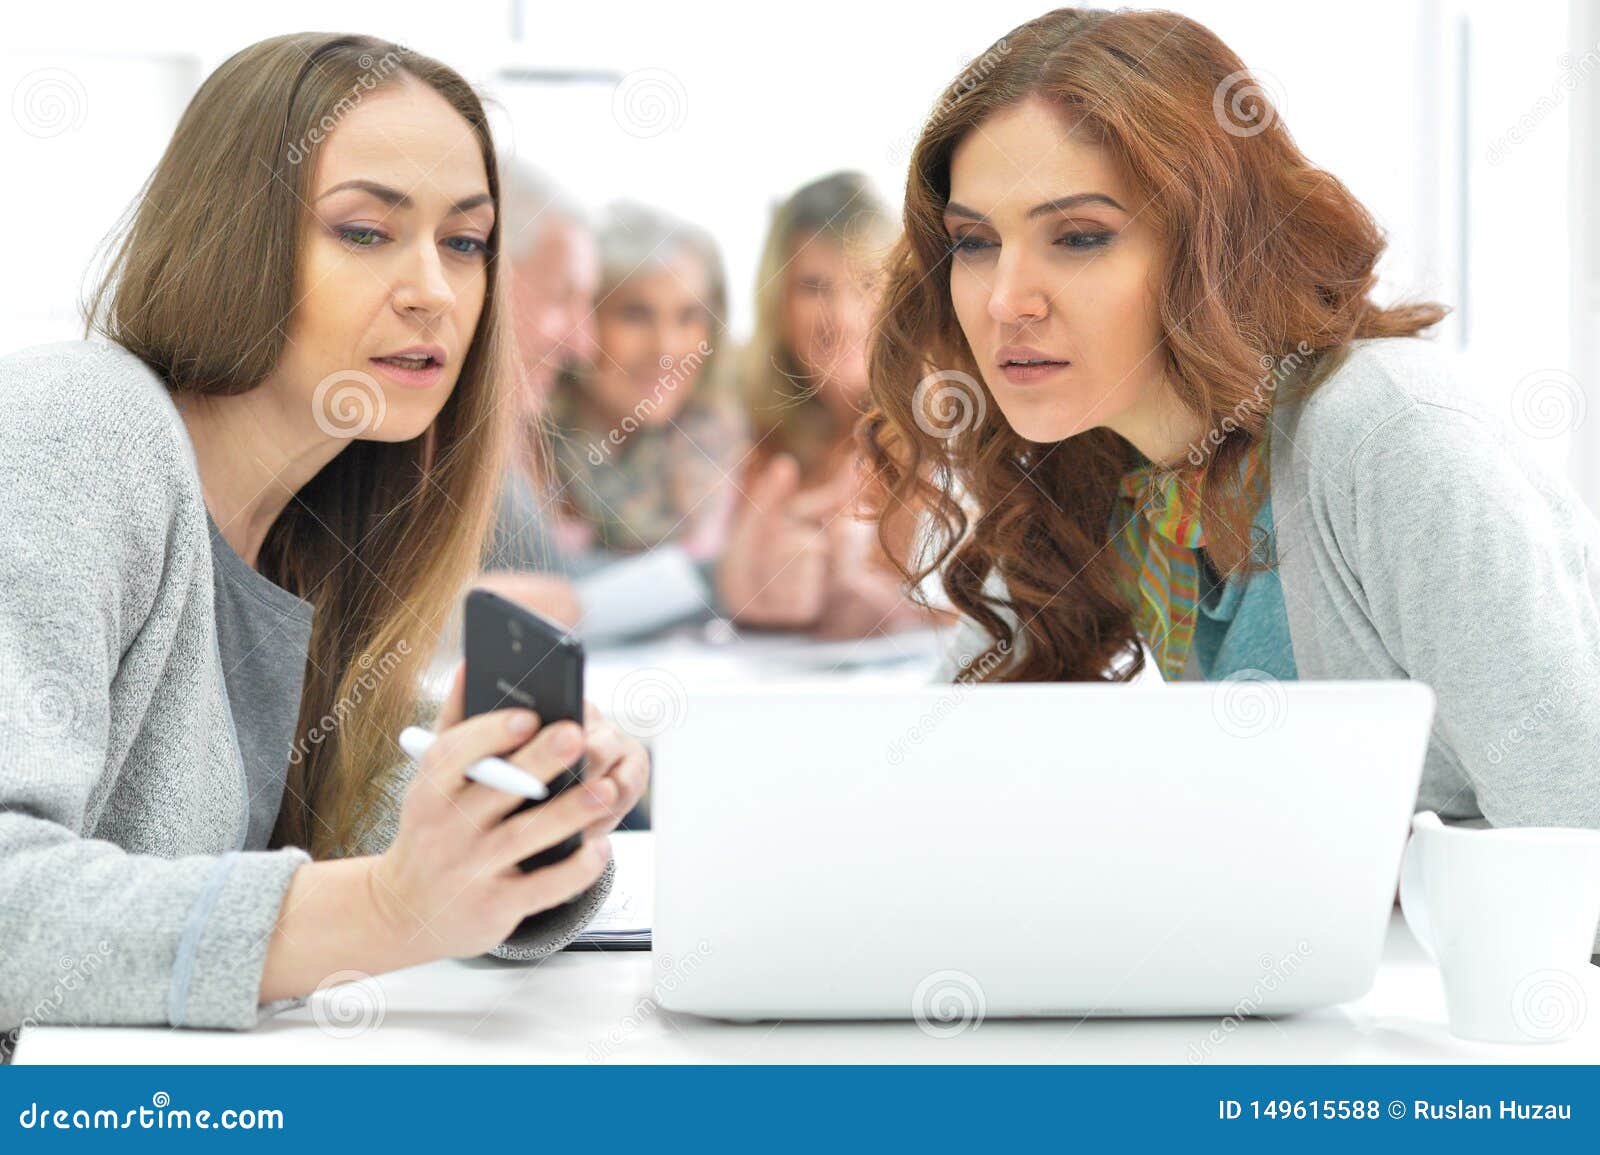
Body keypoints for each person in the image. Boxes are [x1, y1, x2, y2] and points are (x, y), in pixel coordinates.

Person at [859, 5, 1600, 944]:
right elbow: (928, 772)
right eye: (974, 241)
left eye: (1079, 236)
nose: (1007, 299)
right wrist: (639, 768)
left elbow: (1584, 845)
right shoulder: (1100, 454)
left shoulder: (1389, 437)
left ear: (1212, 243)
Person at [0, 32, 647, 1052]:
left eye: (466, 243)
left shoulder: (318, 519)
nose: (434, 289)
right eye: (363, 231)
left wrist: (525, 821)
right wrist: (391, 908)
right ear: (230, 238)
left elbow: (349, 812)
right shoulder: (73, 422)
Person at [723, 171, 943, 638]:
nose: (841, 316)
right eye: (814, 287)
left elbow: (983, 619)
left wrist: (878, 609)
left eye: (866, 282)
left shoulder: (942, 428)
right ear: (777, 301)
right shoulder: (753, 435)